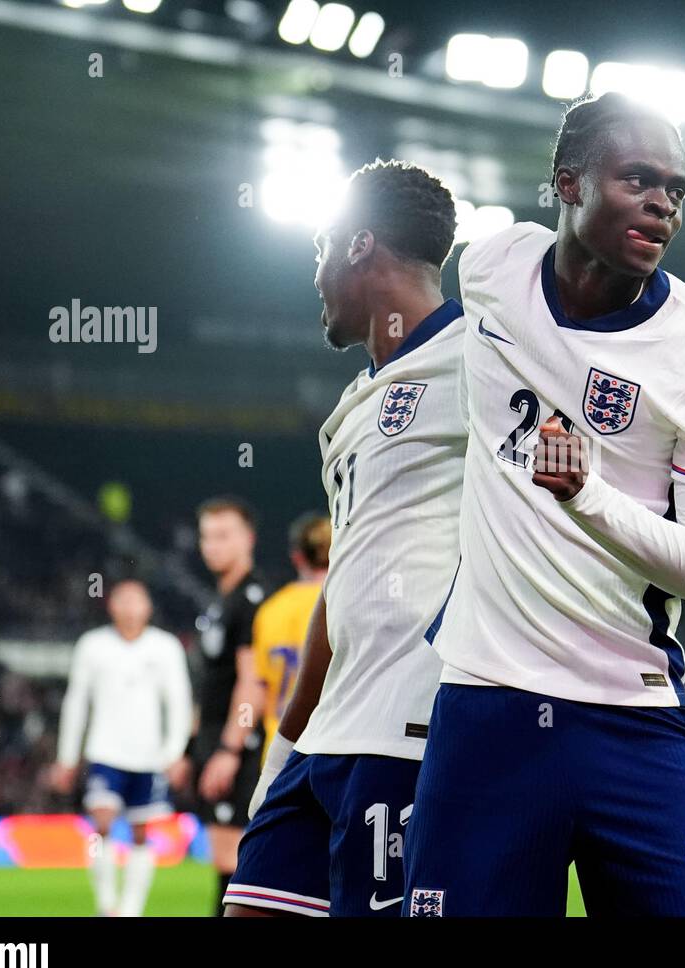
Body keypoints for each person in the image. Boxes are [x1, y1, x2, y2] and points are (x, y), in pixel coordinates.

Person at [403, 91, 685, 917]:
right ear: (568, 182)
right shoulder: (490, 267)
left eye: (677, 190)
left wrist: (586, 495)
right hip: (487, 710)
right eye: (639, 180)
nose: (663, 204)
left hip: (632, 714)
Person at [223, 160, 468, 916]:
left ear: (363, 246)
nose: (317, 273)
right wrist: (283, 746)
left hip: (410, 738)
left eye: (323, 248)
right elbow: (345, 583)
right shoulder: (353, 405)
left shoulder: (487, 361)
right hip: (325, 735)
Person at [51, 578, 191, 917]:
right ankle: (106, 905)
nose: (129, 608)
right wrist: (67, 757)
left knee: (141, 833)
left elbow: (179, 701)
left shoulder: (165, 647)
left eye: (136, 600)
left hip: (148, 756)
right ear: (110, 606)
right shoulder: (93, 645)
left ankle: (130, 910)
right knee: (101, 822)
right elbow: (76, 702)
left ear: (148, 607)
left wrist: (174, 752)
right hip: (105, 752)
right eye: (122, 600)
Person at [192, 496, 268, 915]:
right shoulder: (220, 601)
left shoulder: (250, 599)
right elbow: (211, 683)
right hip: (213, 742)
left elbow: (252, 681)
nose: (212, 546)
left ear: (248, 539)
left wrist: (230, 748)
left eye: (223, 536)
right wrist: (192, 748)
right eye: (207, 536)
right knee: (223, 859)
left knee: (233, 863)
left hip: (235, 745)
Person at [251, 513, 332, 761]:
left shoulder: (270, 609)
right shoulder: (348, 604)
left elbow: (258, 687)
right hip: (329, 749)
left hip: (279, 750)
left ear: (297, 557)